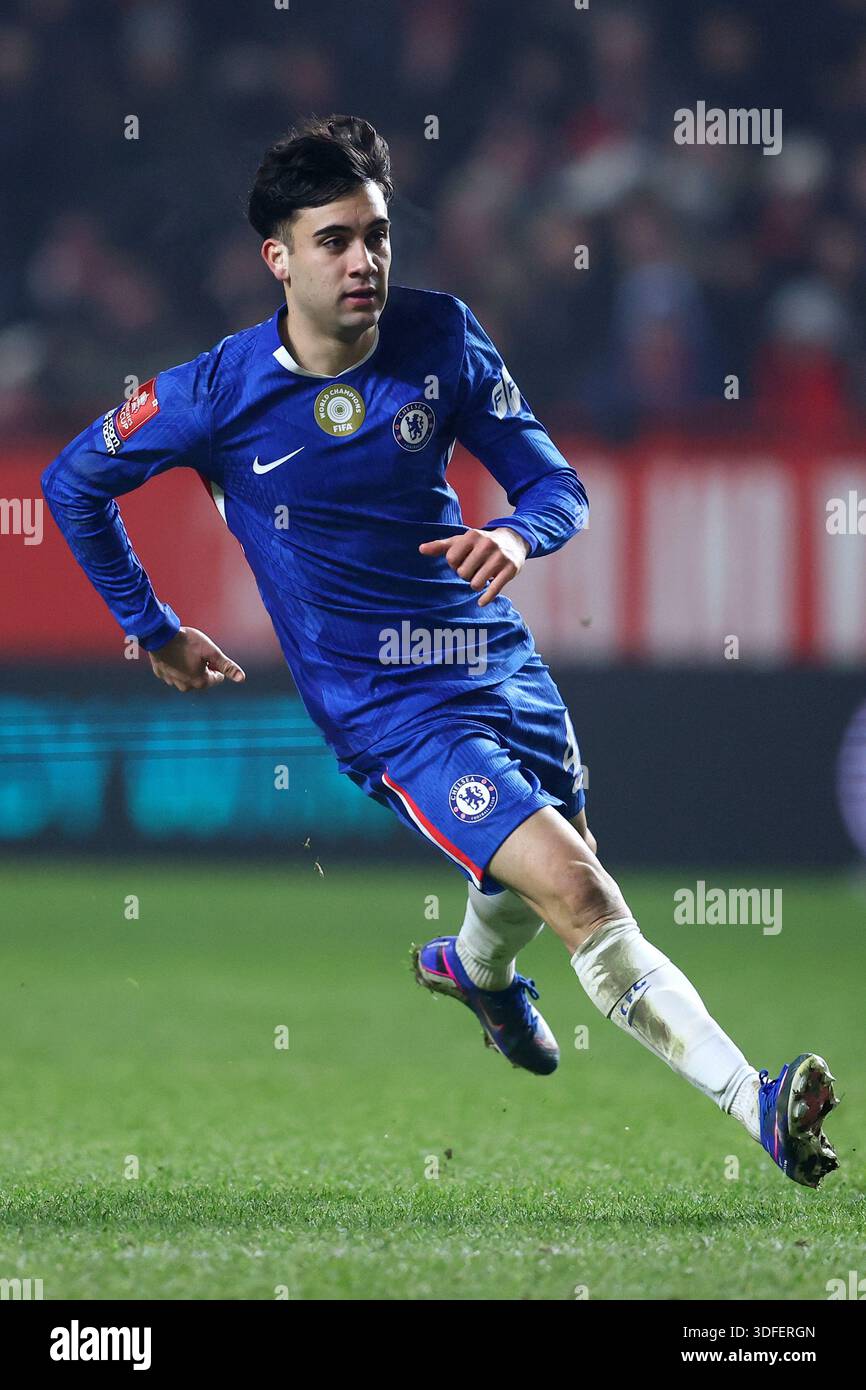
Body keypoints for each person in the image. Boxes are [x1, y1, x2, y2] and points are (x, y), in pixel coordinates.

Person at [42, 114, 839, 1189]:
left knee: (530, 874)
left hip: (496, 667)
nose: (364, 258)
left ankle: (471, 970)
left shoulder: (444, 338)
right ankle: (757, 1102)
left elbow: (555, 485)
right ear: (276, 258)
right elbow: (70, 485)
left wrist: (512, 530)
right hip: (390, 713)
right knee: (579, 891)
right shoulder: (212, 396)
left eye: (375, 234)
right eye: (333, 240)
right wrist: (151, 628)